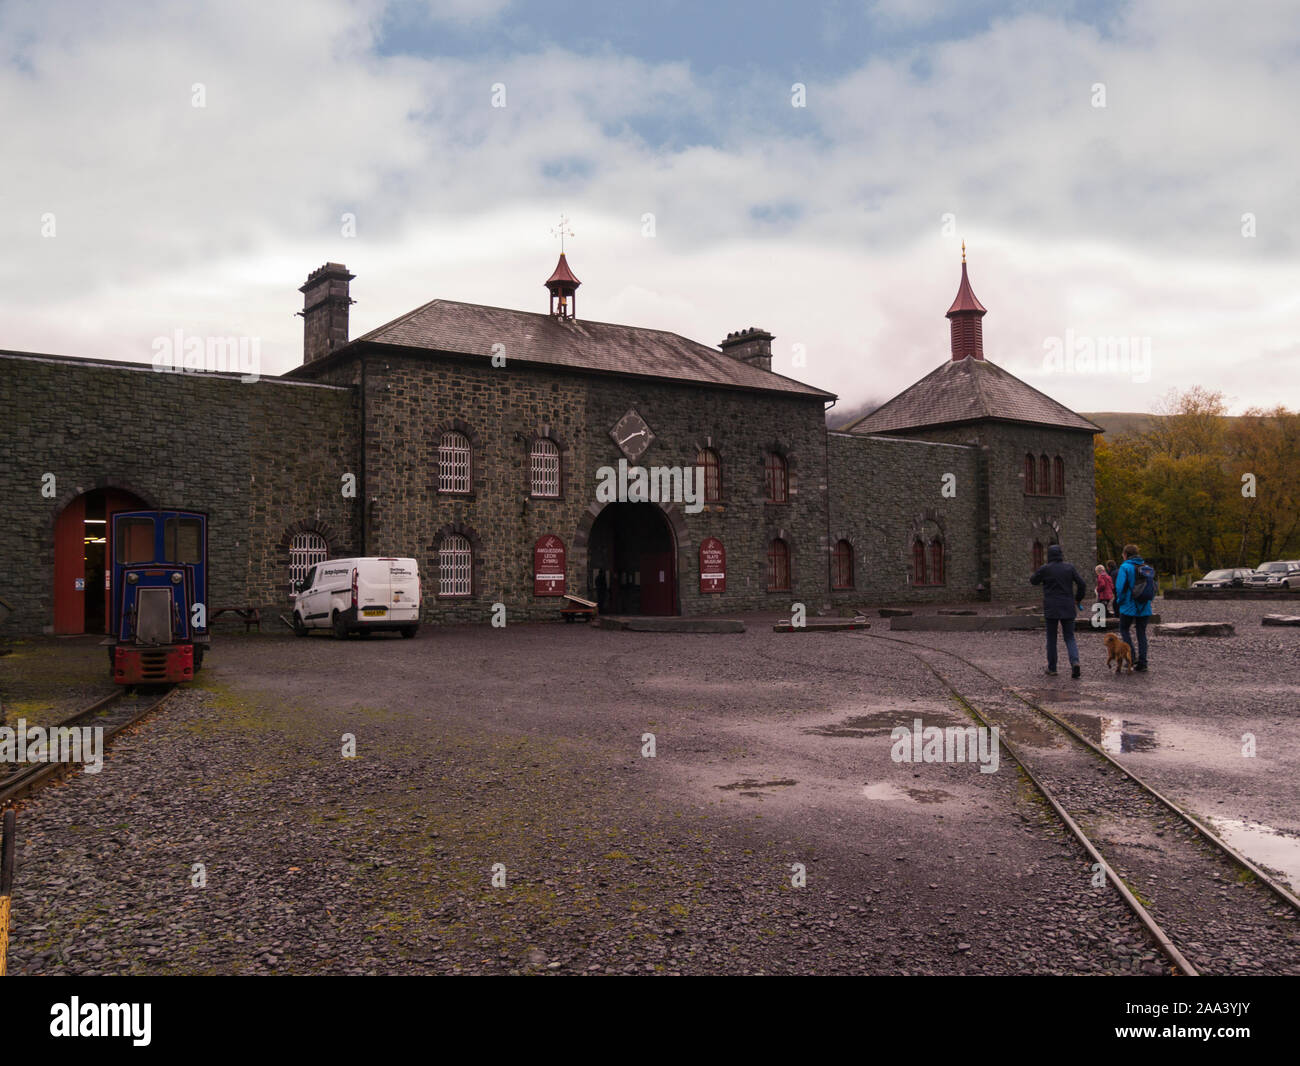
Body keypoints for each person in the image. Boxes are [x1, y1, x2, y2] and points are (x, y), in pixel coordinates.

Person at [1030, 543, 1088, 677]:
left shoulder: (1045, 569)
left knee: (1051, 638)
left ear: (1049, 555)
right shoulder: (1069, 568)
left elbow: (1033, 580)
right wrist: (1078, 599)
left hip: (1051, 607)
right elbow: (1082, 584)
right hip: (1068, 605)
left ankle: (1052, 668)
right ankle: (1075, 662)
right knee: (1069, 637)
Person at [1113, 543, 1153, 672]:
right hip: (1144, 605)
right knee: (1141, 633)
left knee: (1124, 629)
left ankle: (1132, 656)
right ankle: (1143, 662)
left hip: (1129, 605)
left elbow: (1120, 587)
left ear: (1125, 555)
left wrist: (1119, 602)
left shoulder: (1125, 567)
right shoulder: (1145, 567)